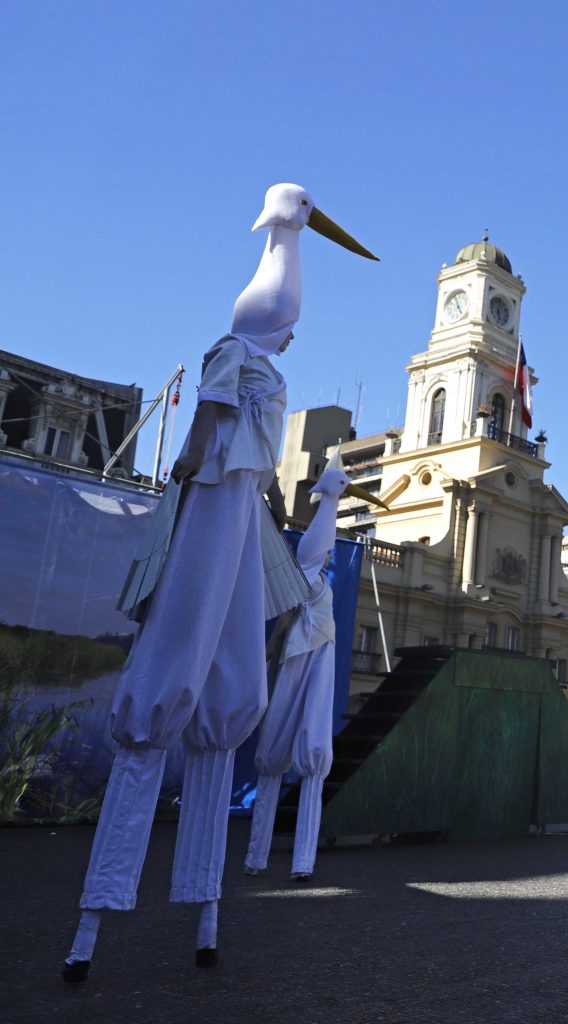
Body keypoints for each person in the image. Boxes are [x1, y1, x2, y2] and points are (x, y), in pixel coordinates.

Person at [63, 185, 376, 984]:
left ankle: (180, 913)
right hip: (219, 513)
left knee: (208, 671)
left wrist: (205, 479)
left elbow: (220, 446)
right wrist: (187, 474)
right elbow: (205, 430)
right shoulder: (243, 361)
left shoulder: (255, 367)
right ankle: (134, 919)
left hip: (229, 516)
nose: (294, 330)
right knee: (195, 657)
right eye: (289, 321)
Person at [244, 457, 374, 882]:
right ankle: (275, 858)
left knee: (300, 750)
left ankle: (279, 859)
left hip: (311, 654)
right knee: (285, 750)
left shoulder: (315, 579)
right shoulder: (310, 580)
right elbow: (286, 615)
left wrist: (273, 647)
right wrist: (272, 647)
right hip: (304, 655)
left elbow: (287, 615)